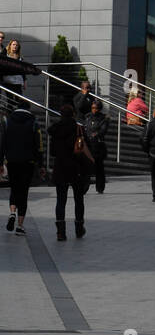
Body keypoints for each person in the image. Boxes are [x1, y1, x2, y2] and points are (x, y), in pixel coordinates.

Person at [0, 99, 46, 235]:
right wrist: (41, 164)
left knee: (14, 188)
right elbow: (39, 145)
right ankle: (20, 226)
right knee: (23, 192)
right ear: (28, 109)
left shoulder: (7, 121)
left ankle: (12, 212)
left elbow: (2, 143)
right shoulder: (34, 122)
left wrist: (1, 162)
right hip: (28, 162)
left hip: (12, 161)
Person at [49, 103, 93, 240]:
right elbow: (86, 147)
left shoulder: (55, 130)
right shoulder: (78, 129)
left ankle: (60, 232)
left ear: (61, 115)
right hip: (76, 167)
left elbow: (53, 152)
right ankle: (79, 227)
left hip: (60, 167)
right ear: (73, 114)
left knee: (60, 200)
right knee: (78, 199)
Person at [83, 99, 110, 195]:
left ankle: (100, 187)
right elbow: (85, 128)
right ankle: (84, 187)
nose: (94, 110)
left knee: (99, 167)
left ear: (99, 109)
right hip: (88, 145)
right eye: (92, 108)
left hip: (98, 146)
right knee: (86, 168)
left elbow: (103, 130)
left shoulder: (103, 119)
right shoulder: (87, 117)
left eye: (96, 108)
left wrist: (96, 134)